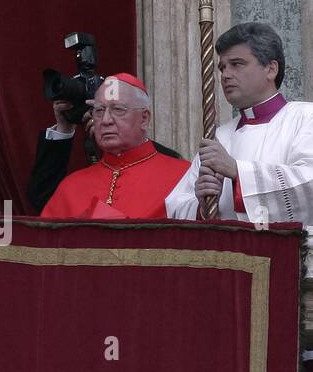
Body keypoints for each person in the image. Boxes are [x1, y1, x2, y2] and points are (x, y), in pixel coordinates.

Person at [166, 22, 313, 225]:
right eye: (222, 67)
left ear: (271, 69)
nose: (225, 75)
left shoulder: (306, 117)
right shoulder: (219, 137)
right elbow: (176, 206)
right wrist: (201, 207)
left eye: (237, 64)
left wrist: (237, 172)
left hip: (288, 253)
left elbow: (309, 183)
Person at [40, 73, 190, 218]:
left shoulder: (185, 177)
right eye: (99, 111)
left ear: (144, 118)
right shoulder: (70, 186)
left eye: (118, 110)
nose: (106, 120)